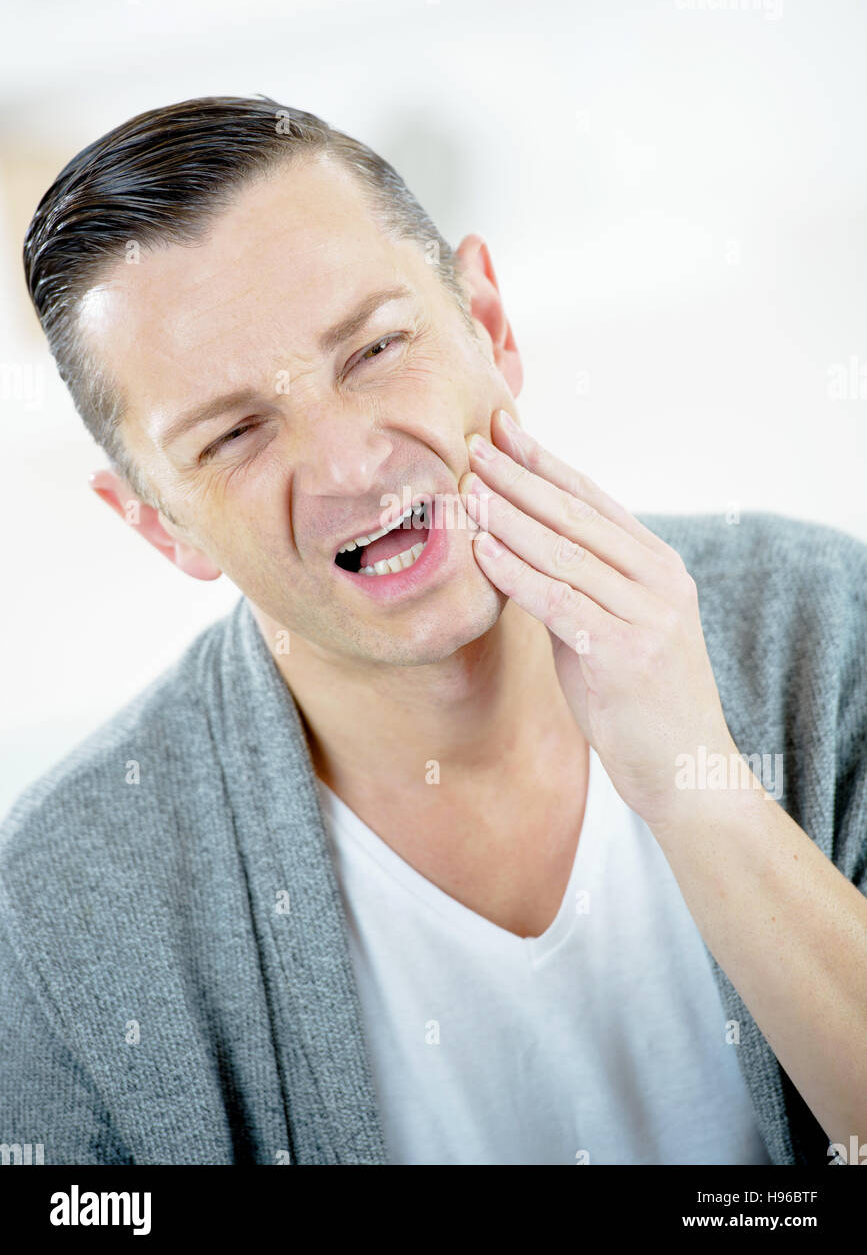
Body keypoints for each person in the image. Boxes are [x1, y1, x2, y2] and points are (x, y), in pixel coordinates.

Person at [1, 95, 865, 1166]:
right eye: (233, 434)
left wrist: (701, 792)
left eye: (373, 349)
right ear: (157, 523)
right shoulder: (54, 911)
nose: (353, 464)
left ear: (491, 329)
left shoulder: (830, 630)